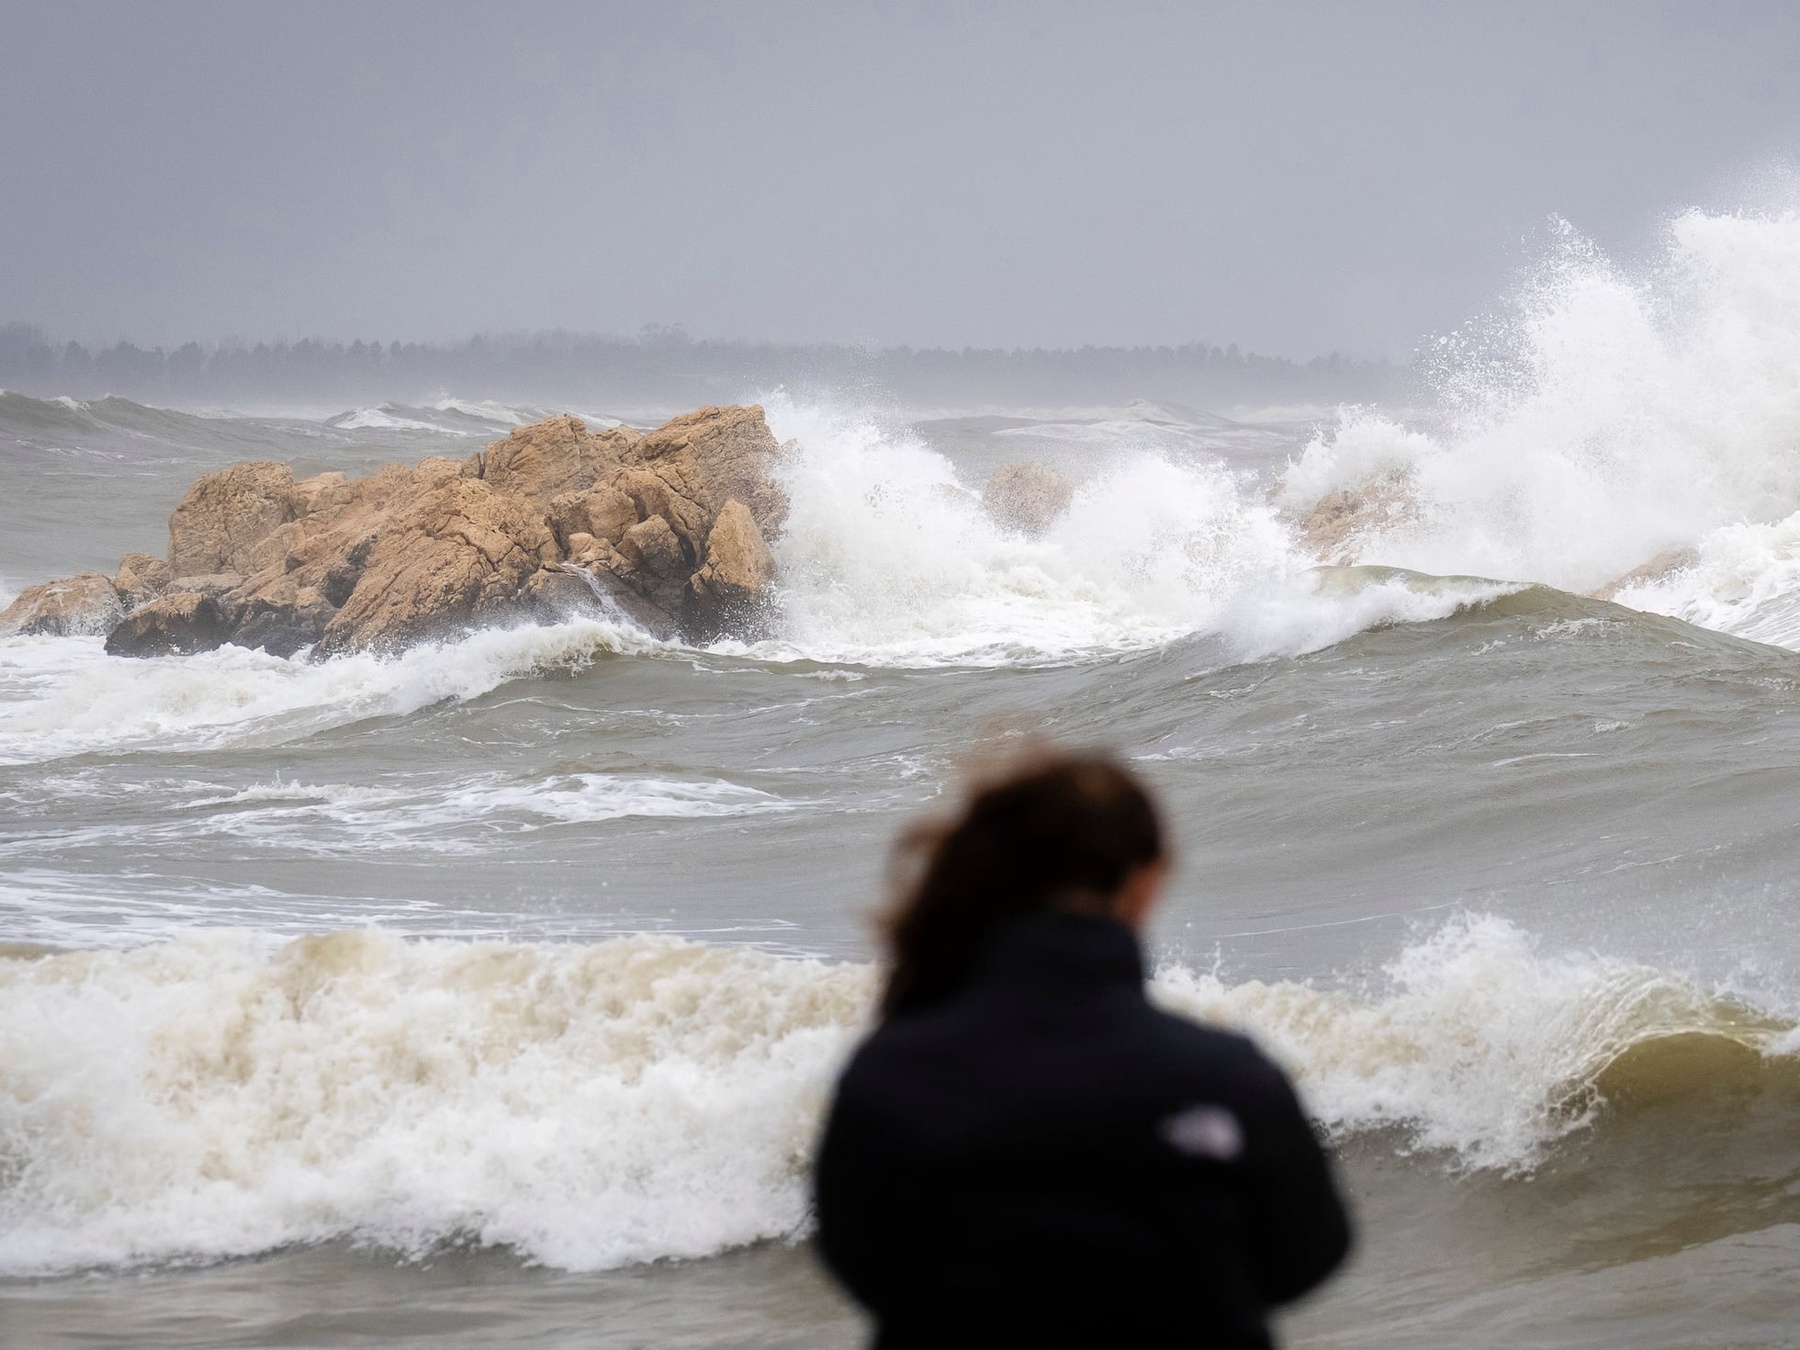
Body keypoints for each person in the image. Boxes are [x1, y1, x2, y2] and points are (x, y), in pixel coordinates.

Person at [813, 751, 1351, 1348]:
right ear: (1147, 882)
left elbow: (861, 1262)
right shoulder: (1223, 1080)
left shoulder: (891, 1076)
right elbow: (1308, 1257)